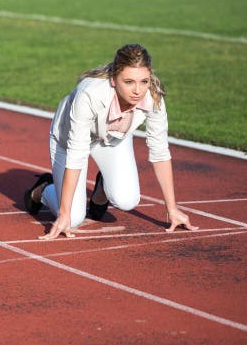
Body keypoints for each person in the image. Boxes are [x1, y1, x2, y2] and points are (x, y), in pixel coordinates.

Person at [24, 44, 198, 240]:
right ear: (114, 80)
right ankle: (44, 189)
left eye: (144, 81)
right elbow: (76, 154)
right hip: (68, 140)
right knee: (72, 218)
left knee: (127, 200)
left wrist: (172, 208)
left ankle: (101, 188)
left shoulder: (153, 97)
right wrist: (64, 214)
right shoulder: (90, 94)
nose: (137, 90)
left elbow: (160, 152)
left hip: (113, 140)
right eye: (129, 82)